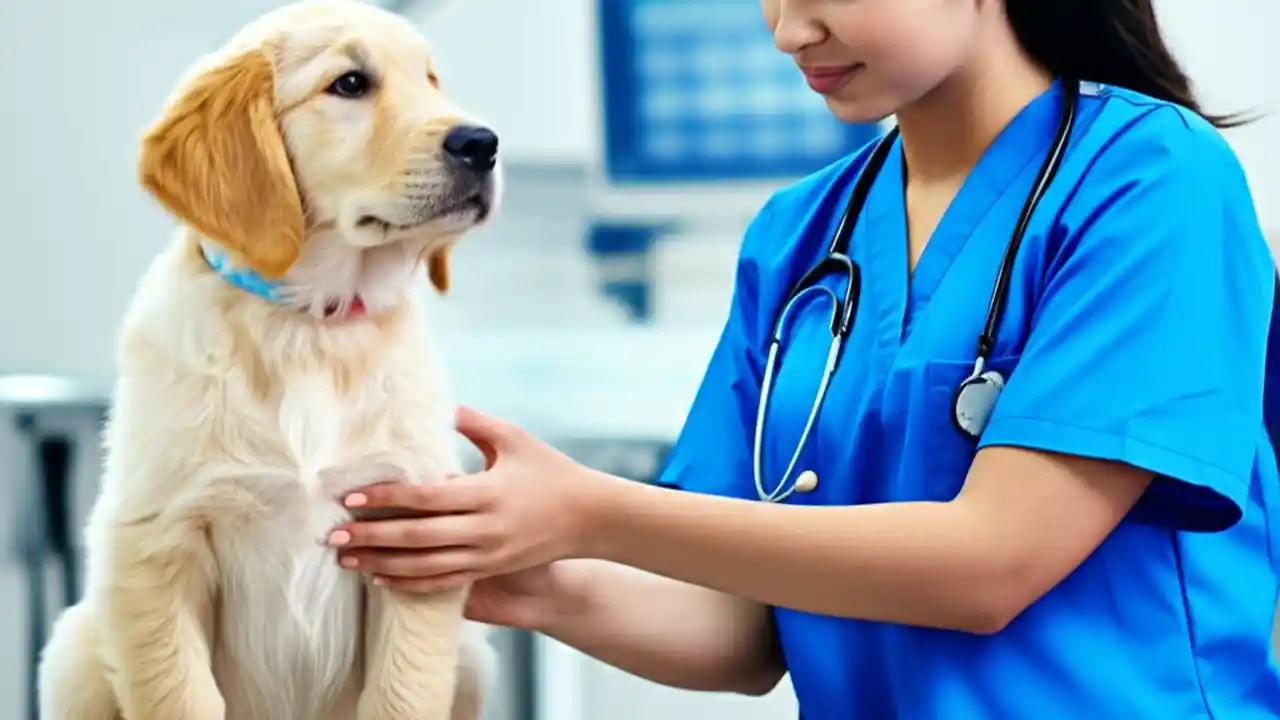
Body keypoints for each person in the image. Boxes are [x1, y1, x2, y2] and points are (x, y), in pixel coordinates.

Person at [324, 0, 1280, 717]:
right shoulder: (800, 235)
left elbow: (992, 565)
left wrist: (588, 510)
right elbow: (739, 634)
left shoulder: (1154, 181)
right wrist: (517, 572)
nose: (789, 28)